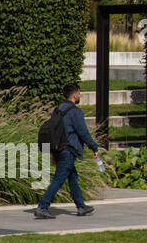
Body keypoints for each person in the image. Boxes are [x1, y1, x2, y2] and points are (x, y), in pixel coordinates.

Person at [34, 83, 101, 219]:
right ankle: (42, 206)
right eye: (79, 93)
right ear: (75, 94)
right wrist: (94, 147)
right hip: (68, 150)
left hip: (58, 149)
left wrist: (53, 153)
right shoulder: (75, 112)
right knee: (59, 179)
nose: (80, 95)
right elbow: (83, 132)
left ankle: (81, 207)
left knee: (73, 178)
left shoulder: (57, 110)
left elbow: (54, 133)